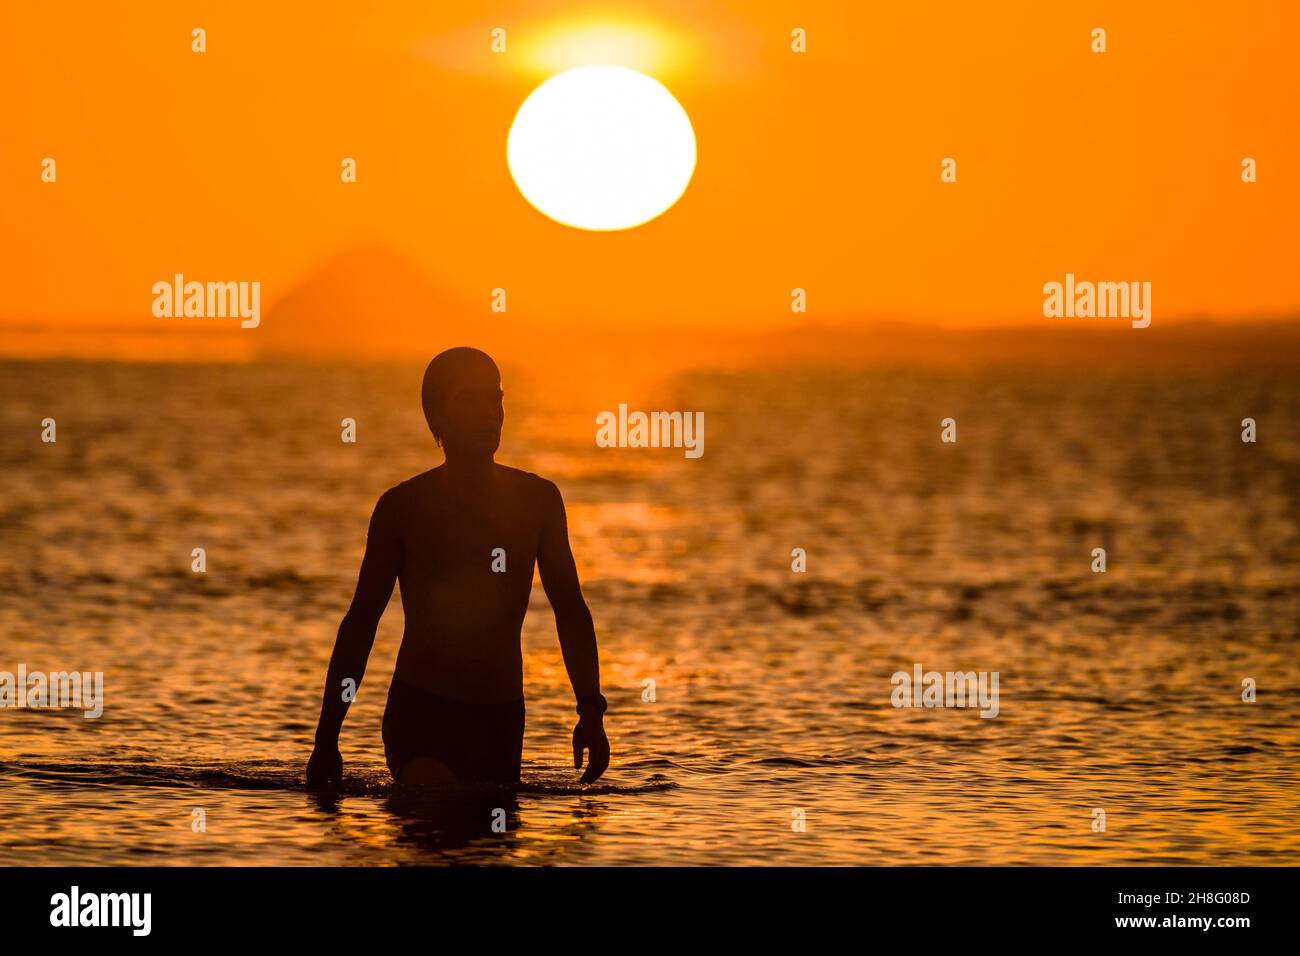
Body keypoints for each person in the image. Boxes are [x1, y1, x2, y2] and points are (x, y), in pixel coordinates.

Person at [306, 347, 610, 788]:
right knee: (430, 799)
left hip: (500, 719)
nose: (488, 413)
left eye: (495, 398)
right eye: (469, 400)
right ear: (436, 418)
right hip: (421, 712)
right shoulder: (403, 509)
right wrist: (326, 740)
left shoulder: (538, 502)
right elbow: (360, 623)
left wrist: (590, 710)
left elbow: (571, 610)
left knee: (490, 838)